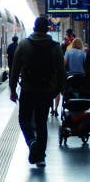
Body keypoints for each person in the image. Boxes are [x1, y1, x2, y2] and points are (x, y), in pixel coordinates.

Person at [10, 16, 66, 167]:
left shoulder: (23, 45)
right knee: (42, 122)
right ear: (47, 29)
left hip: (28, 90)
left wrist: (12, 89)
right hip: (46, 91)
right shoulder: (55, 47)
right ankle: (40, 157)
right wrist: (57, 91)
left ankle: (31, 142)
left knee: (24, 120)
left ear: (34, 28)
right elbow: (61, 72)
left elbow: (14, 70)